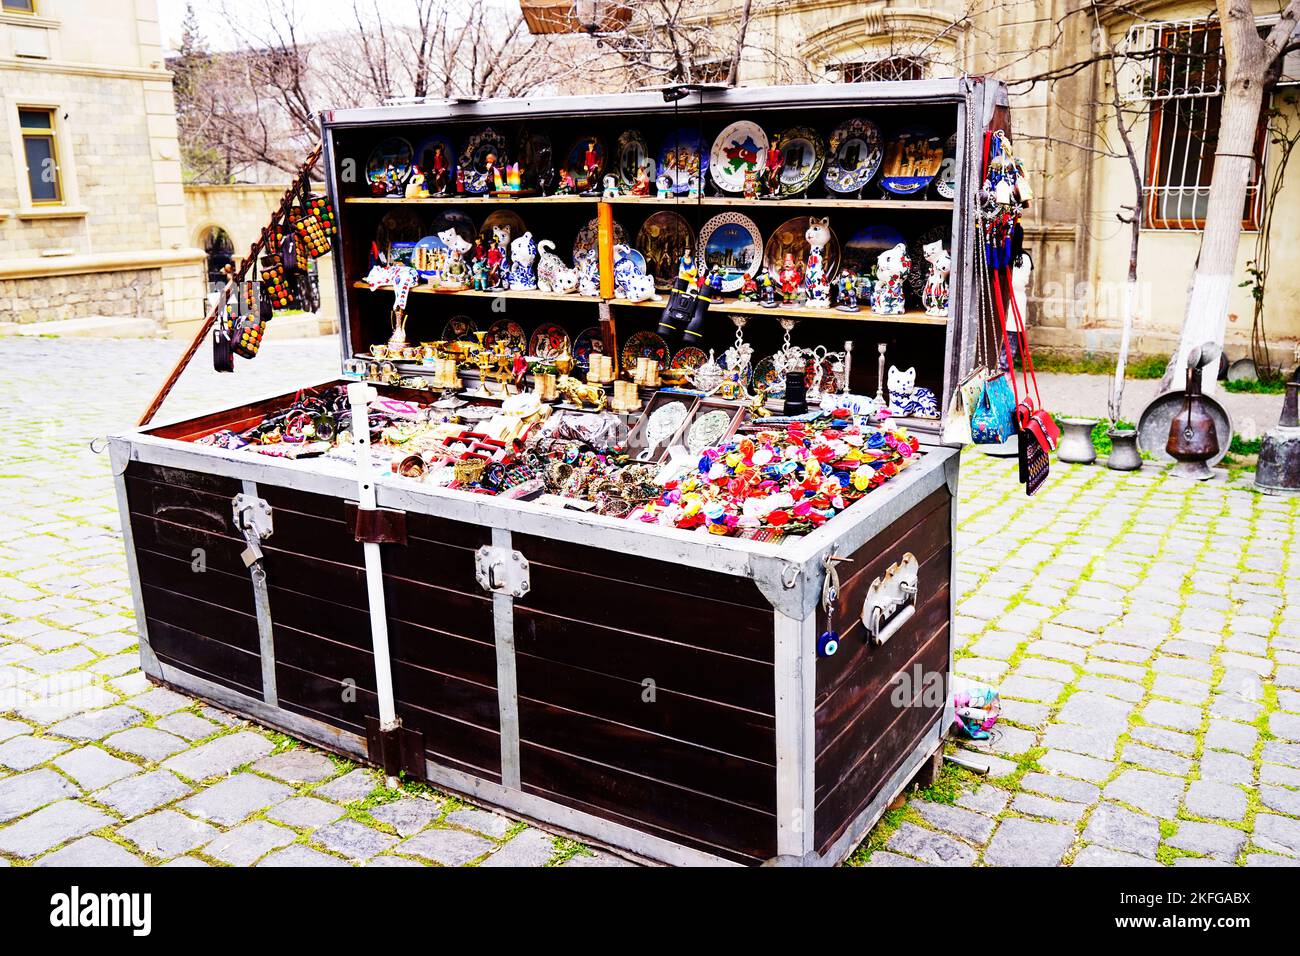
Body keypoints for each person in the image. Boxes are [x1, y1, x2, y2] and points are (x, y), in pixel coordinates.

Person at [1001, 250, 1032, 371]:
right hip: (1003, 297)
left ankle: (1005, 367)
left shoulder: (1022, 258)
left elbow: (1018, 282)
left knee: (1010, 335)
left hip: (1015, 298)